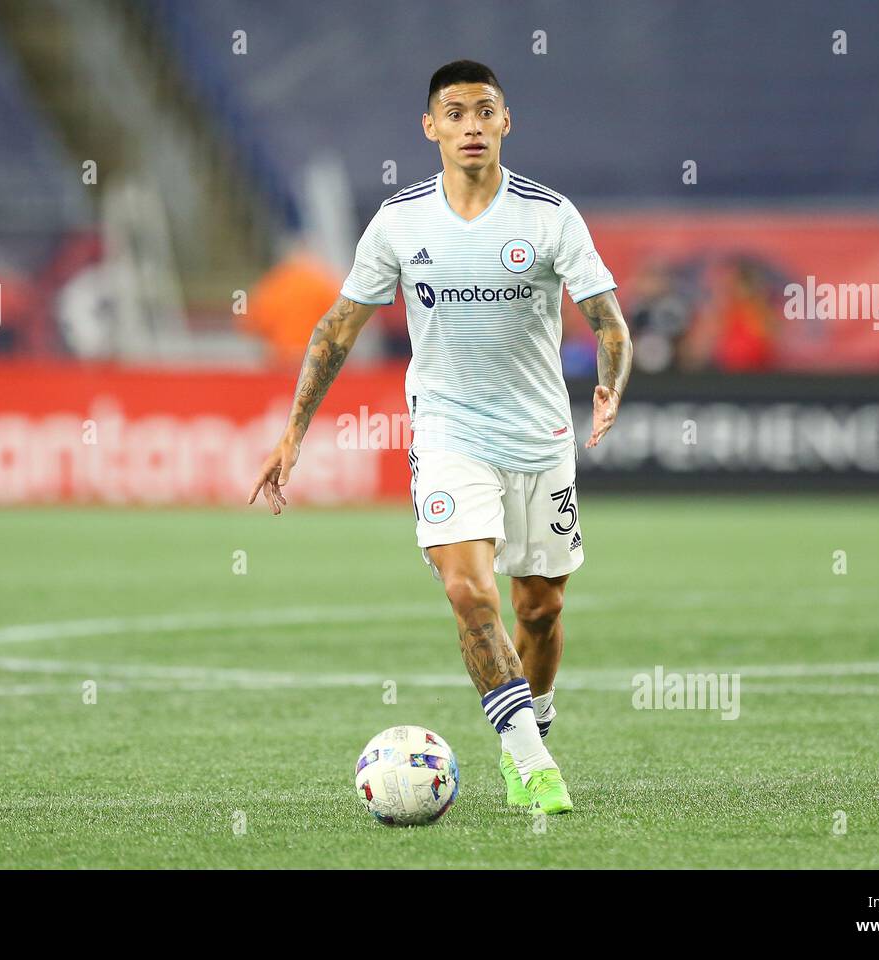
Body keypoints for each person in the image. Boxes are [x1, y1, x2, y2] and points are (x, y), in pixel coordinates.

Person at [249, 60, 632, 815]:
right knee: (468, 591)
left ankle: (533, 719)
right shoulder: (400, 222)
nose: (471, 127)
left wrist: (609, 384)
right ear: (431, 128)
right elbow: (337, 328)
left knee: (541, 610)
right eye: (454, 114)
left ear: (505, 123)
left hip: (540, 436)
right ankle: (532, 762)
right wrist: (293, 432)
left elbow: (609, 321)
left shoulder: (550, 216)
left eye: (484, 112)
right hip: (449, 430)